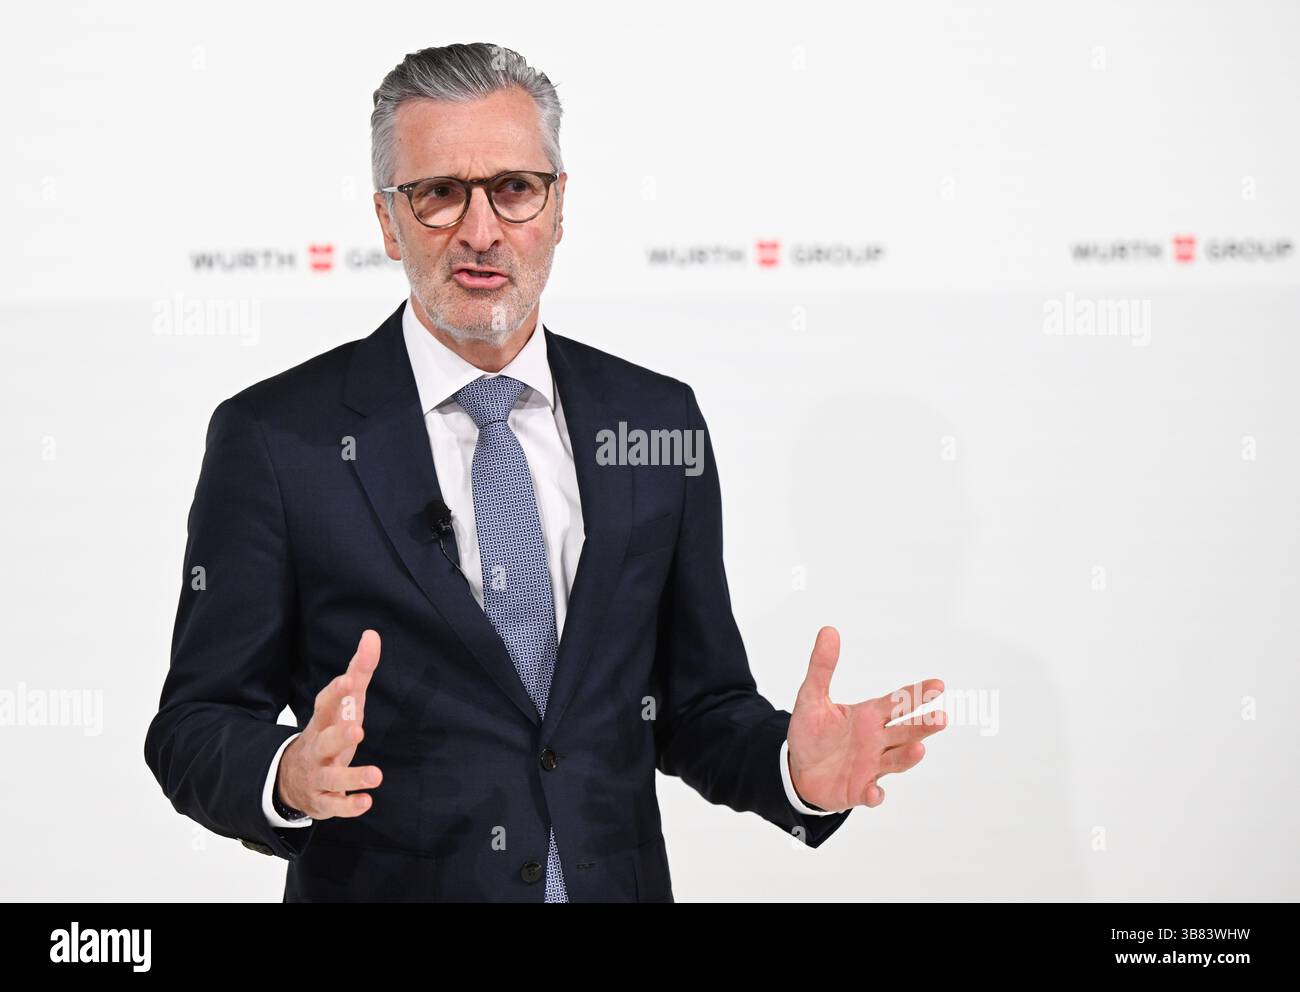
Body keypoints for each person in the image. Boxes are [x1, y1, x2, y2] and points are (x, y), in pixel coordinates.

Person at [144, 42, 947, 902]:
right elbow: (193, 725)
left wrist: (793, 769)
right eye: (439, 194)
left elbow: (697, 709)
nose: (481, 231)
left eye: (514, 189)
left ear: (558, 206)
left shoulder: (656, 420)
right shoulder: (275, 439)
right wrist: (287, 773)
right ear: (387, 221)